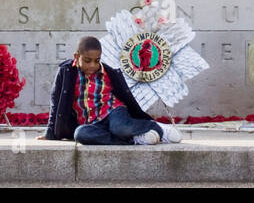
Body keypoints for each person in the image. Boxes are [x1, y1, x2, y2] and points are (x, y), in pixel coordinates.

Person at [42, 36, 183, 145]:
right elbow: (55, 100)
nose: (92, 65)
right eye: (87, 60)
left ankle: (156, 127)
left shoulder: (108, 72)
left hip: (113, 112)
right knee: (80, 134)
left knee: (119, 127)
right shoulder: (66, 72)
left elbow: (125, 96)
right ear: (76, 57)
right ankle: (134, 139)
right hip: (92, 123)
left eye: (97, 60)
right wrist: (50, 131)